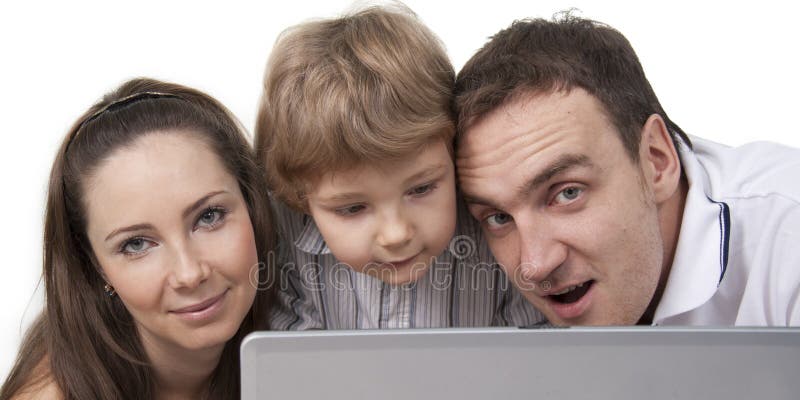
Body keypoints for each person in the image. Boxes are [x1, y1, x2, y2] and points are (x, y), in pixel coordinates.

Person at [0, 78, 274, 400]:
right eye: (136, 245)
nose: (190, 272)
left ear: (253, 205)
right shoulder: (68, 375)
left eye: (209, 217)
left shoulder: (301, 330)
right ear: (96, 268)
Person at [454, 13, 800, 326]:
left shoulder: (787, 241)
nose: (534, 265)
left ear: (656, 160)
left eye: (567, 193)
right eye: (499, 217)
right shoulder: (469, 269)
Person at [256, 5, 544, 329]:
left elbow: (532, 353)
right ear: (299, 197)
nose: (395, 235)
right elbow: (292, 363)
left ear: (453, 150)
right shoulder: (280, 235)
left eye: (421, 189)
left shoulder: (501, 228)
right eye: (352, 208)